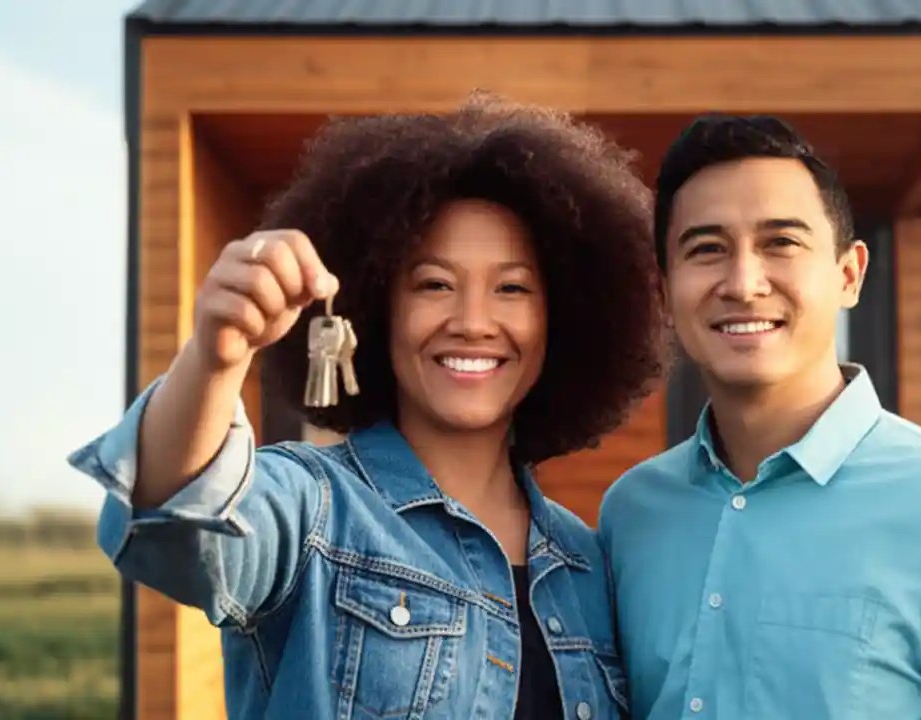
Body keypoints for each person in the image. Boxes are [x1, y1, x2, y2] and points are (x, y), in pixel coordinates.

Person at [69, 94, 666, 720]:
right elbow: (172, 523)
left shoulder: (587, 566)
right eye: (434, 284)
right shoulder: (313, 511)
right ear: (378, 308)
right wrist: (215, 359)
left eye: (511, 288)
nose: (472, 321)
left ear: (561, 318)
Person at [598, 114, 921, 719]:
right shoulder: (631, 517)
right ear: (665, 293)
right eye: (707, 249)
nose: (744, 282)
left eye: (781, 243)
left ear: (849, 274)